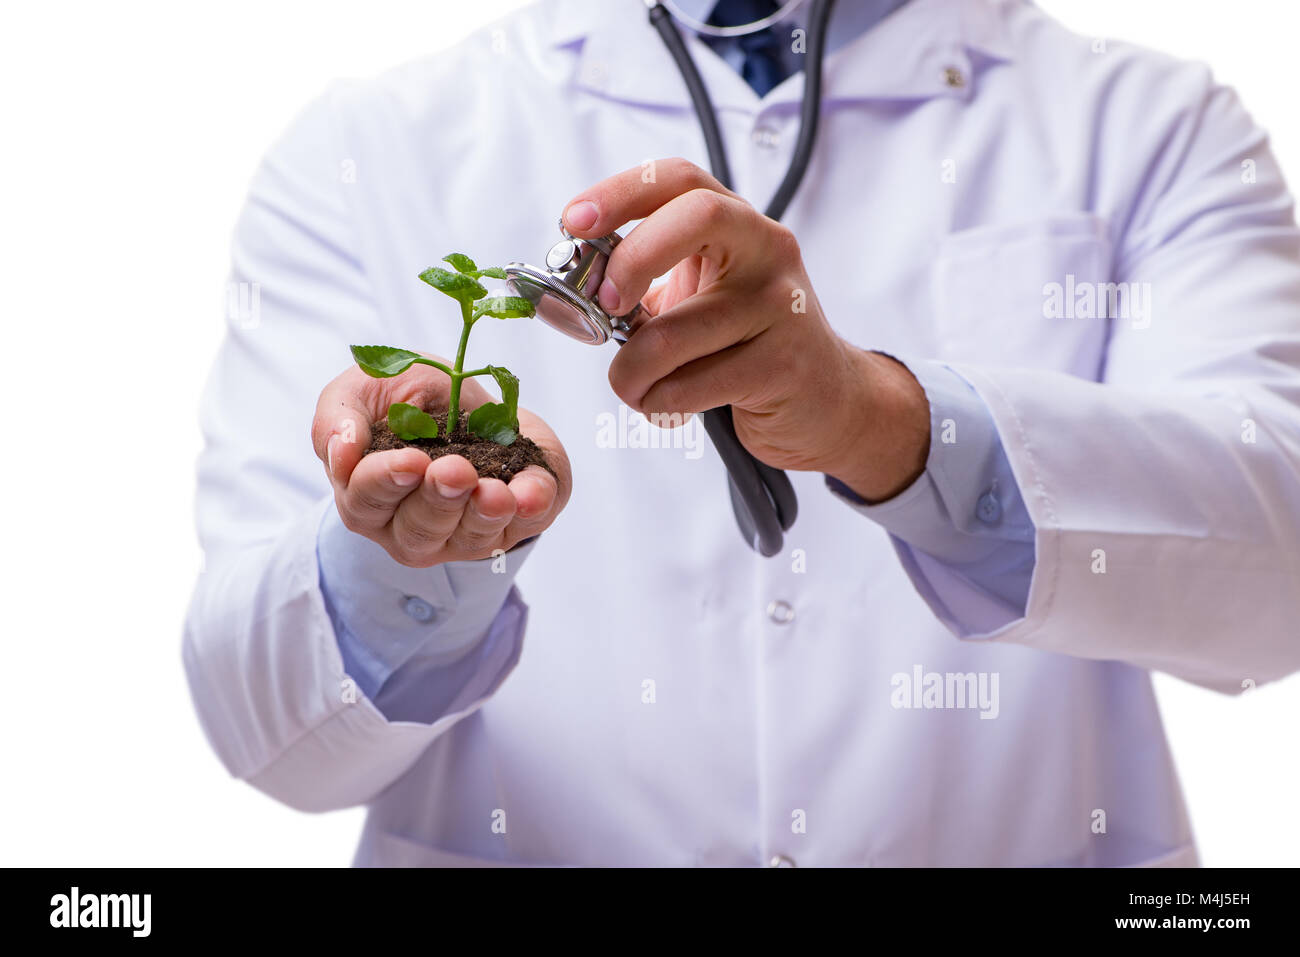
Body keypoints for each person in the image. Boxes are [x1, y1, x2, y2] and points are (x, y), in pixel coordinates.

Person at [184, 0, 1300, 866]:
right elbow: (266, 731)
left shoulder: (1156, 127)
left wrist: (884, 423)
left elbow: (1278, 585)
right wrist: (414, 549)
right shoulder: (367, 148)